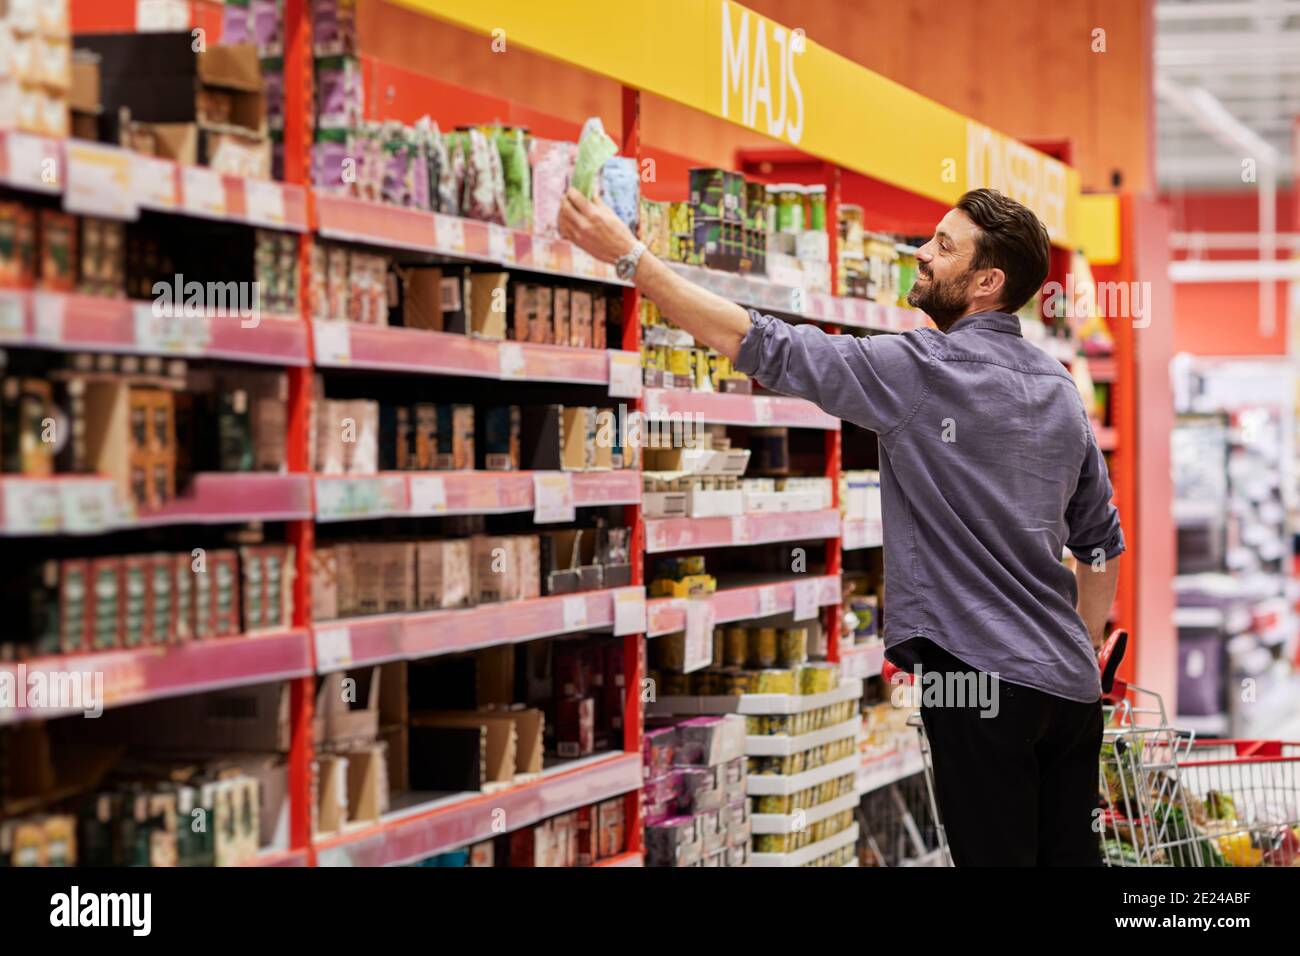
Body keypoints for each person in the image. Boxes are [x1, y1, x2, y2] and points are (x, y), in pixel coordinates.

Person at [558, 184, 1123, 867]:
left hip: (978, 681)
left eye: (943, 247)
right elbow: (1100, 540)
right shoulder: (1059, 386)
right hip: (1068, 695)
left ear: (986, 282)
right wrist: (1085, 648)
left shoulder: (921, 371)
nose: (921, 253)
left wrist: (633, 262)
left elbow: (759, 343)